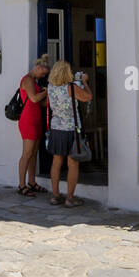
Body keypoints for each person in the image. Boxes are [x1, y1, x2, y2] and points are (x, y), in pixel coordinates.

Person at [45, 61, 94, 206]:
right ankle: (70, 198)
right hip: (72, 129)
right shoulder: (70, 87)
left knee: (56, 161)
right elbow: (88, 97)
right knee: (73, 163)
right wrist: (84, 82)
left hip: (56, 129)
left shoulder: (50, 87)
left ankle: (55, 195)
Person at [16, 55, 50, 196]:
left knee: (34, 153)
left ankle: (32, 182)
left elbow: (39, 103)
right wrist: (46, 92)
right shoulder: (27, 80)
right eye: (43, 73)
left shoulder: (34, 81)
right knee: (27, 154)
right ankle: (21, 185)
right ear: (38, 68)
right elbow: (34, 98)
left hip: (36, 119)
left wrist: (47, 97)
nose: (43, 76)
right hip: (28, 120)